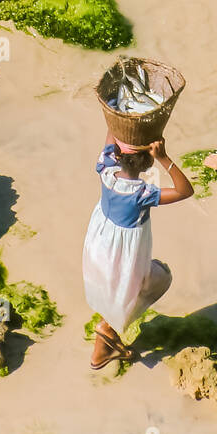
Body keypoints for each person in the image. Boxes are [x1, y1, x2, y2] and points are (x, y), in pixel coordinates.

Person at [83, 131, 193, 370]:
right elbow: (185, 191)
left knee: (115, 289)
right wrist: (165, 158)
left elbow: (113, 130)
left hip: (100, 244)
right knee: (158, 279)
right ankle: (106, 332)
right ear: (147, 161)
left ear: (119, 154)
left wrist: (124, 124)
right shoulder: (141, 194)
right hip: (124, 254)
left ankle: (102, 346)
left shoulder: (105, 168)